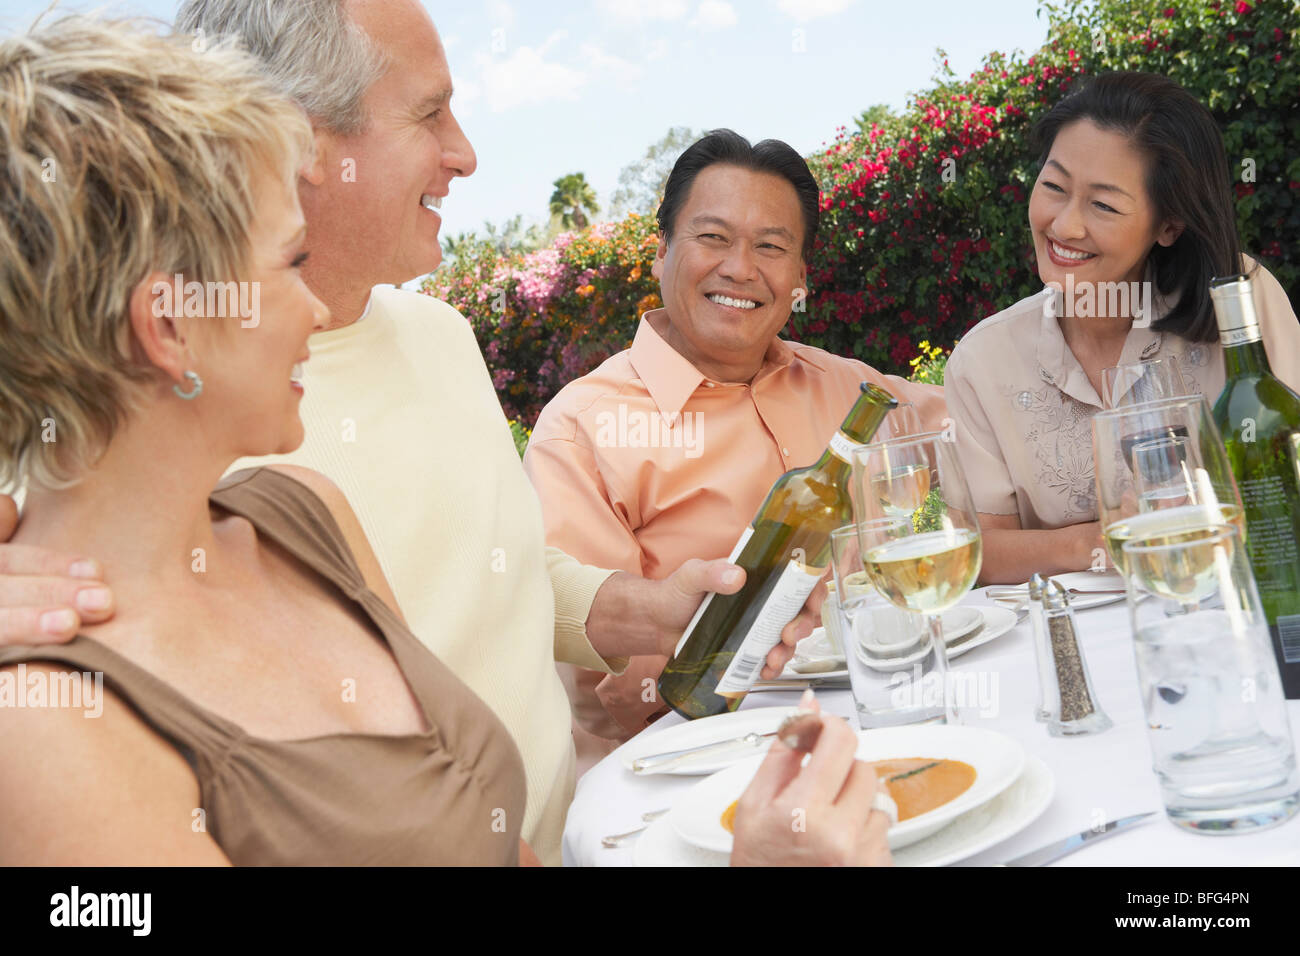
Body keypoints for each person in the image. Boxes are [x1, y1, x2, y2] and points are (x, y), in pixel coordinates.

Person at [0, 14, 891, 869]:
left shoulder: (325, 481)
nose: (464, 152)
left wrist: (659, 610)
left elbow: (500, 586)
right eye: (428, 112)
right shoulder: (54, 673)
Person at [524, 130, 946, 743]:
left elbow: (978, 428)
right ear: (662, 251)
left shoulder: (848, 389)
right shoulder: (582, 430)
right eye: (713, 237)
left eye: (770, 246)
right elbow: (604, 686)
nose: (740, 269)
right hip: (698, 752)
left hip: (889, 709)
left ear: (800, 276)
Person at [943, 71, 1300, 584]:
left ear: (1169, 224)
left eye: (1104, 205)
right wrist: (1097, 541)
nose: (1064, 225)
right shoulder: (983, 360)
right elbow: (979, 551)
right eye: (1054, 186)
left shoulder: (1239, 301)